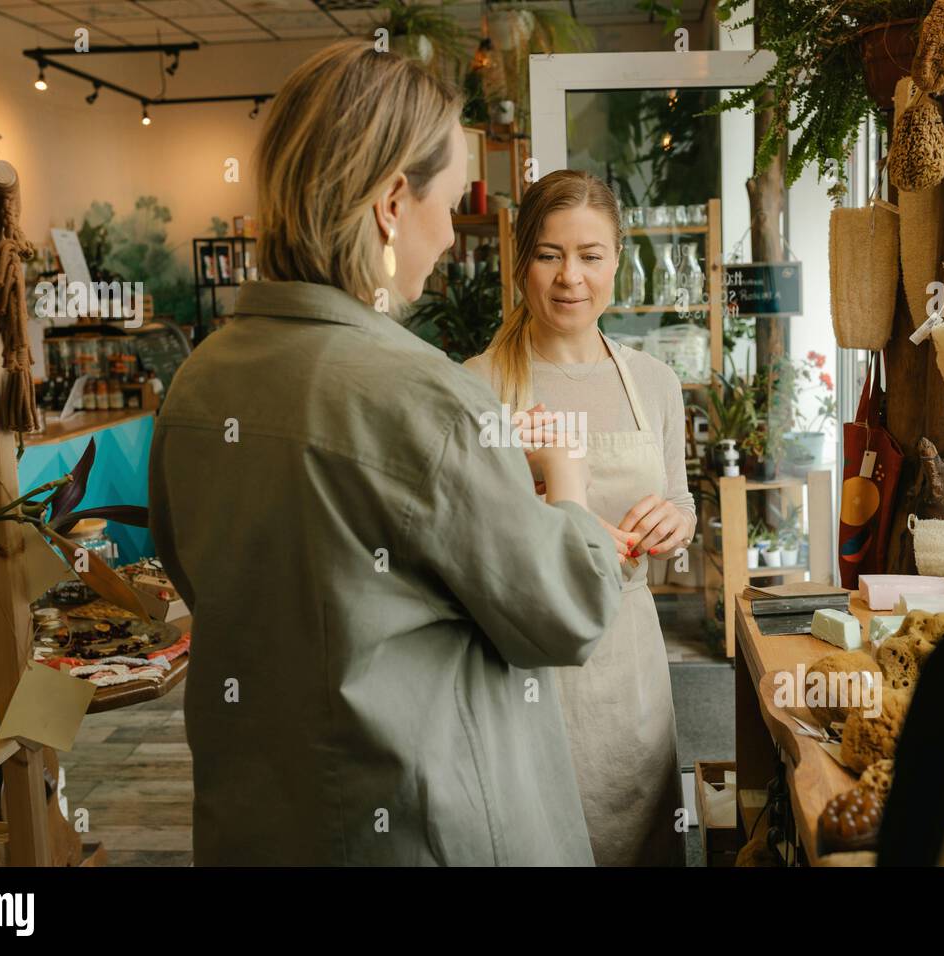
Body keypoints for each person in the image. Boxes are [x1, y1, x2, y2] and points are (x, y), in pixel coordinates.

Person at [148, 41, 623, 866]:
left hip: (259, 822)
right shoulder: (425, 397)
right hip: (419, 829)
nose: (451, 232)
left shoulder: (197, 385)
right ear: (392, 203)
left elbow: (200, 575)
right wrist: (568, 486)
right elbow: (569, 608)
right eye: (452, 197)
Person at [464, 170, 696, 866]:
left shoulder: (654, 383)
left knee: (641, 839)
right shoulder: (474, 385)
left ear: (617, 260)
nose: (571, 278)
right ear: (520, 261)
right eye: (548, 254)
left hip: (628, 664)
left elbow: (680, 497)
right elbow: (464, 552)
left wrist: (677, 520)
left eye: (591, 255)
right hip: (519, 668)